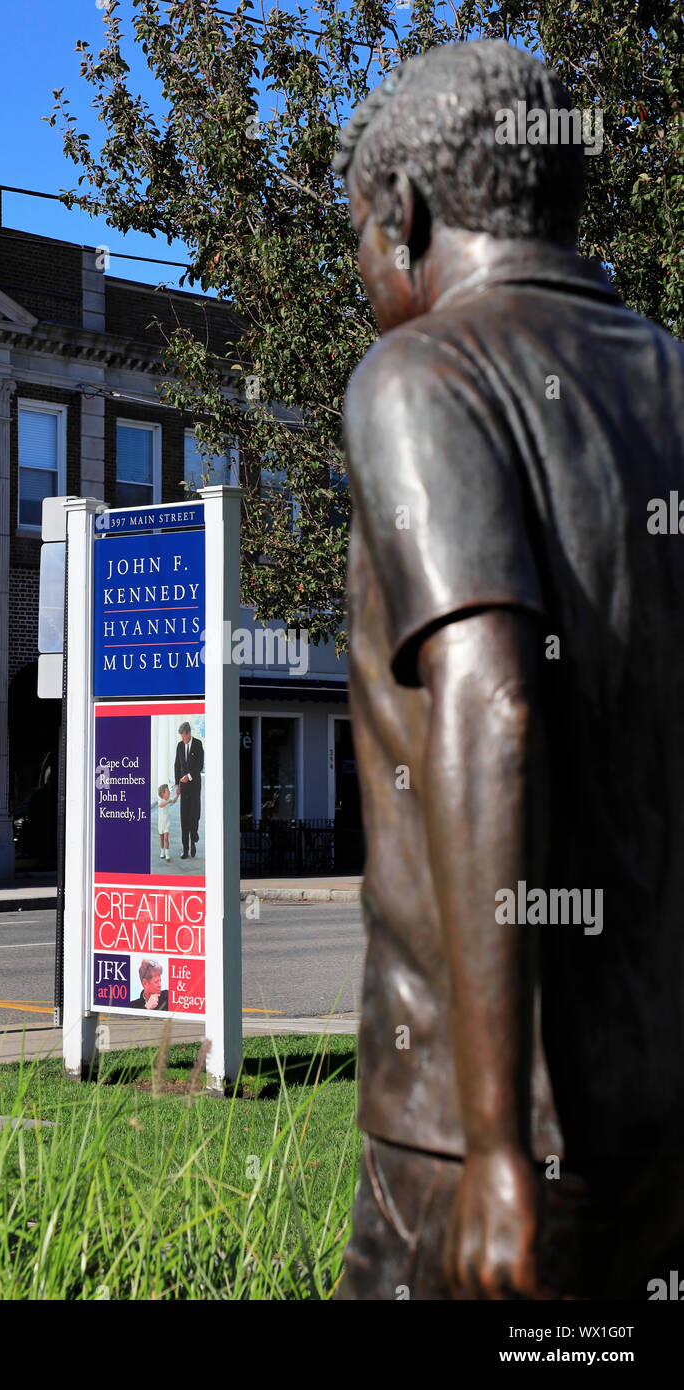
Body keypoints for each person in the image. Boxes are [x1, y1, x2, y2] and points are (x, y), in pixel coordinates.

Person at [331, 41, 684, 1300]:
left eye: (360, 248)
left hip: (482, 1143)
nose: (367, 280)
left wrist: (493, 1147)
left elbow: (492, 702)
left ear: (404, 216)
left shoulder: (424, 375)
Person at [173, 722, 204, 859]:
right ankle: (185, 849)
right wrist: (177, 784)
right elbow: (176, 765)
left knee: (194, 815)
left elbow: (199, 765)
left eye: (183, 736)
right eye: (181, 737)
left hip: (195, 786)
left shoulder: (198, 744)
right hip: (184, 787)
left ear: (189, 733)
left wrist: (189, 776)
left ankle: (193, 840)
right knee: (184, 818)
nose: (182, 739)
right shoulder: (179, 746)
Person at [154, 783, 179, 861]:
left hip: (167, 822)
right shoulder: (160, 800)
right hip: (160, 823)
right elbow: (161, 805)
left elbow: (174, 801)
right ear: (163, 793)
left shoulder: (168, 801)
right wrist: (168, 802)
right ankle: (162, 852)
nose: (169, 792)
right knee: (161, 838)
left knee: (166, 838)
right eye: (167, 791)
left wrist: (177, 795)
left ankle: (167, 853)